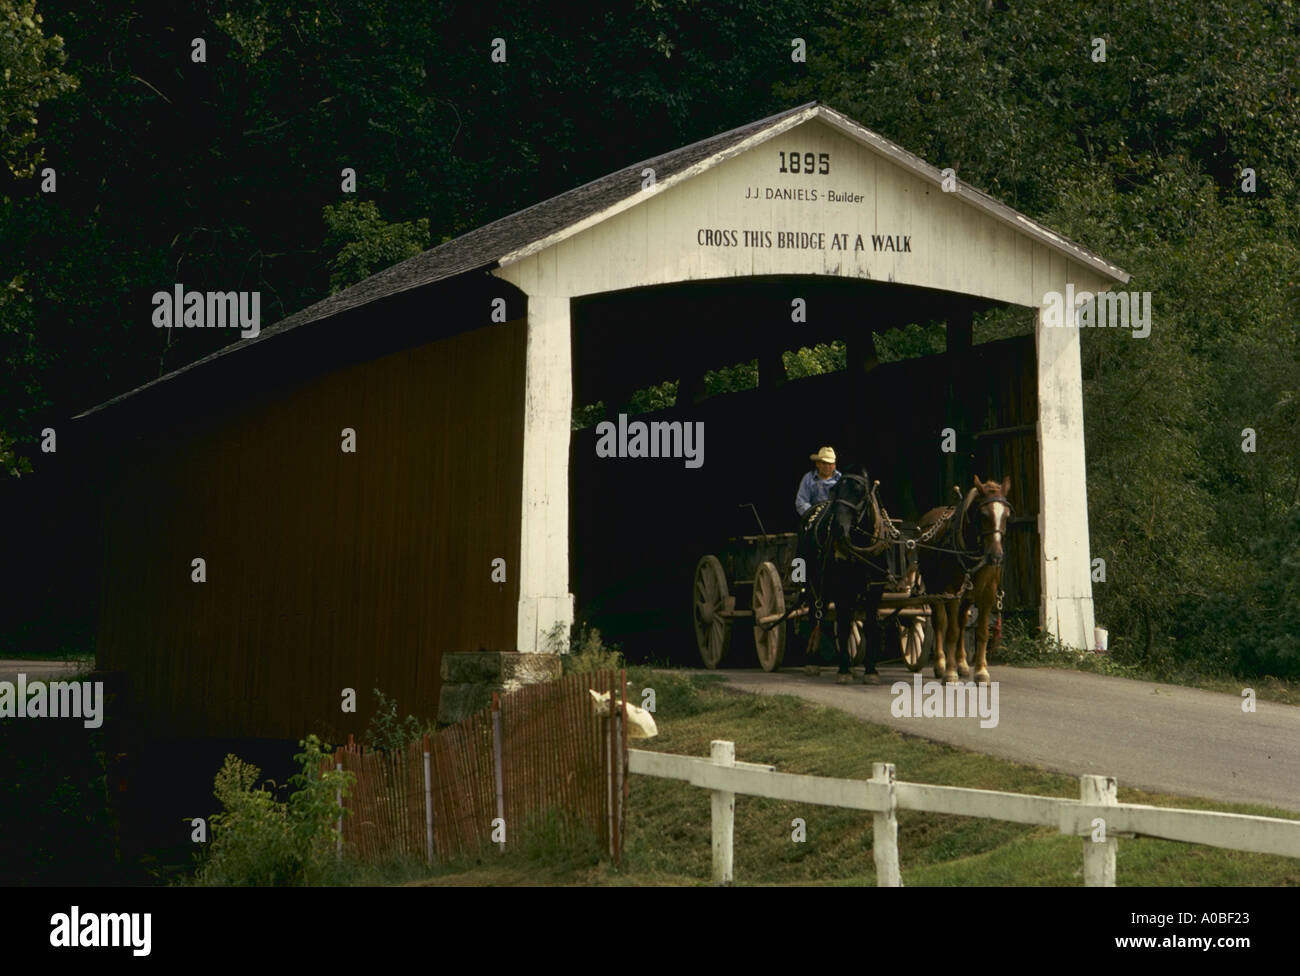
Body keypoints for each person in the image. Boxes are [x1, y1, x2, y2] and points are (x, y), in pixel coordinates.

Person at [795, 446, 841, 517]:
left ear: (834, 465)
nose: (827, 467)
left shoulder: (840, 479)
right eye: (824, 463)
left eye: (830, 464)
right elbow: (801, 501)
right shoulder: (809, 478)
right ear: (817, 464)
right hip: (814, 517)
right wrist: (813, 514)